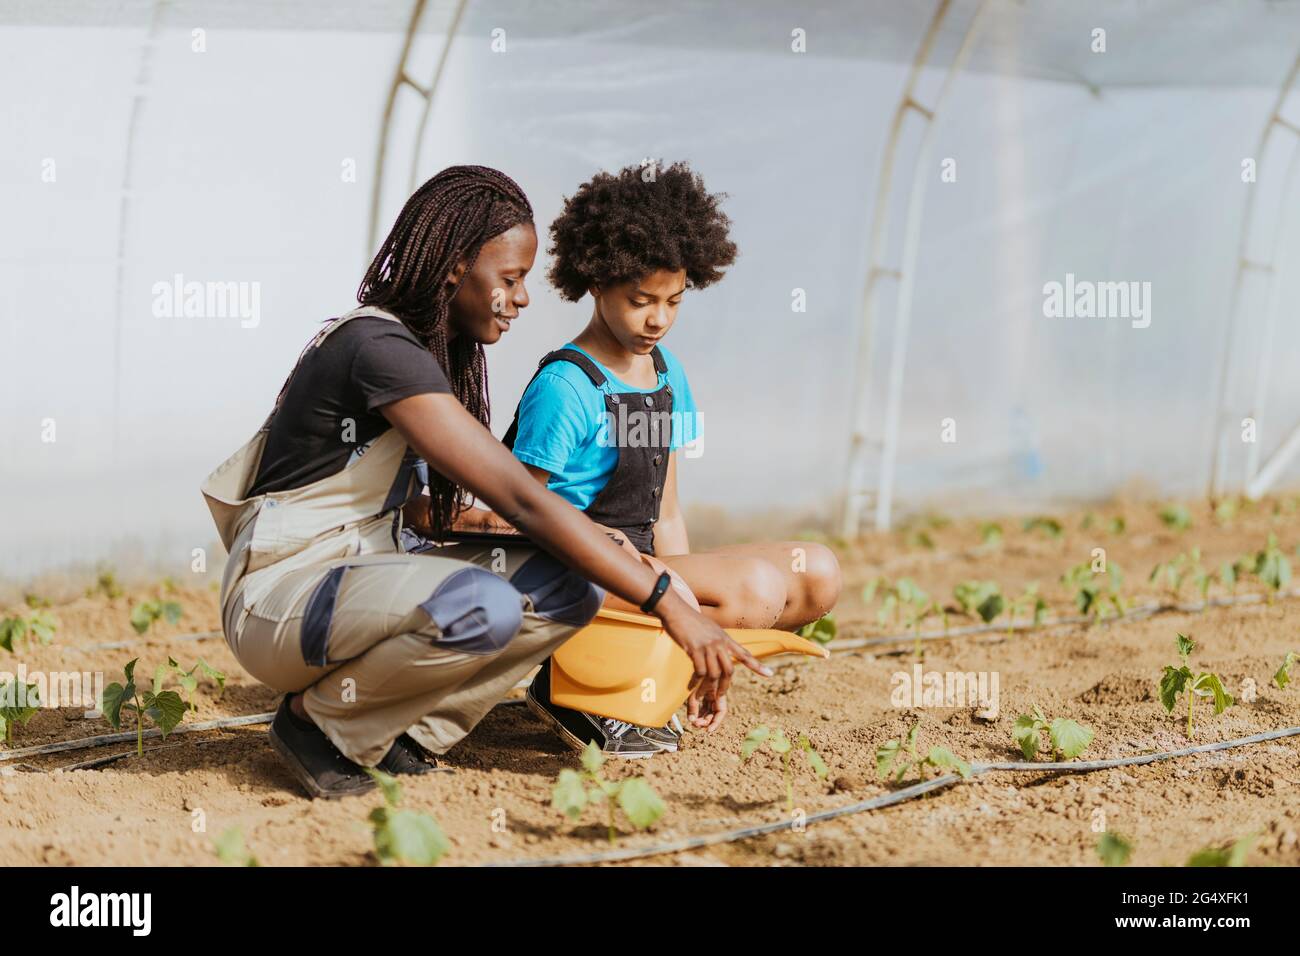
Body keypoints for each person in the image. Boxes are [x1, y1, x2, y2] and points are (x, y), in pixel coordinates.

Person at [200, 165, 770, 798]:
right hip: (282, 600)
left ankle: (409, 734)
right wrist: (665, 600)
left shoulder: (423, 352)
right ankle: (320, 725)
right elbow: (523, 497)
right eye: (510, 279)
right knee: (483, 603)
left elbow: (422, 510)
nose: (523, 298)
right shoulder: (377, 349)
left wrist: (596, 543)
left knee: (570, 582)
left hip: (354, 578)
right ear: (453, 267)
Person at [489, 161, 842, 752]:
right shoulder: (568, 385)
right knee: (753, 589)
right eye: (640, 300)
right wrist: (669, 592)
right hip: (567, 567)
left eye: (673, 301)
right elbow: (517, 509)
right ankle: (576, 687)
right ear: (595, 283)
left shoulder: (665, 374)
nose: (658, 319)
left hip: (642, 563)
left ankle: (656, 678)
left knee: (817, 574)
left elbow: (666, 512)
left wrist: (689, 614)